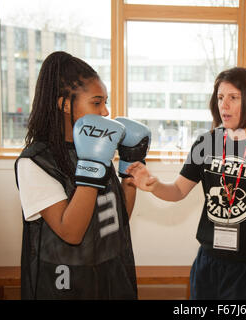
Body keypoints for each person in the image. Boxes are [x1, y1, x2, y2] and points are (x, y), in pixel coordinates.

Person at [126, 67, 246, 299]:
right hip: (209, 259)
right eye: (220, 98)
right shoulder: (206, 142)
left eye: (233, 98)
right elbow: (178, 190)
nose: (224, 105)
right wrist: (154, 185)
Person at [14, 51, 149, 299]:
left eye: (105, 101)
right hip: (65, 283)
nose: (106, 111)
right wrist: (92, 164)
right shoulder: (35, 162)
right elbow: (71, 232)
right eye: (96, 102)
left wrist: (130, 170)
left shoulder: (95, 148)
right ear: (64, 104)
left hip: (110, 272)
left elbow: (118, 220)